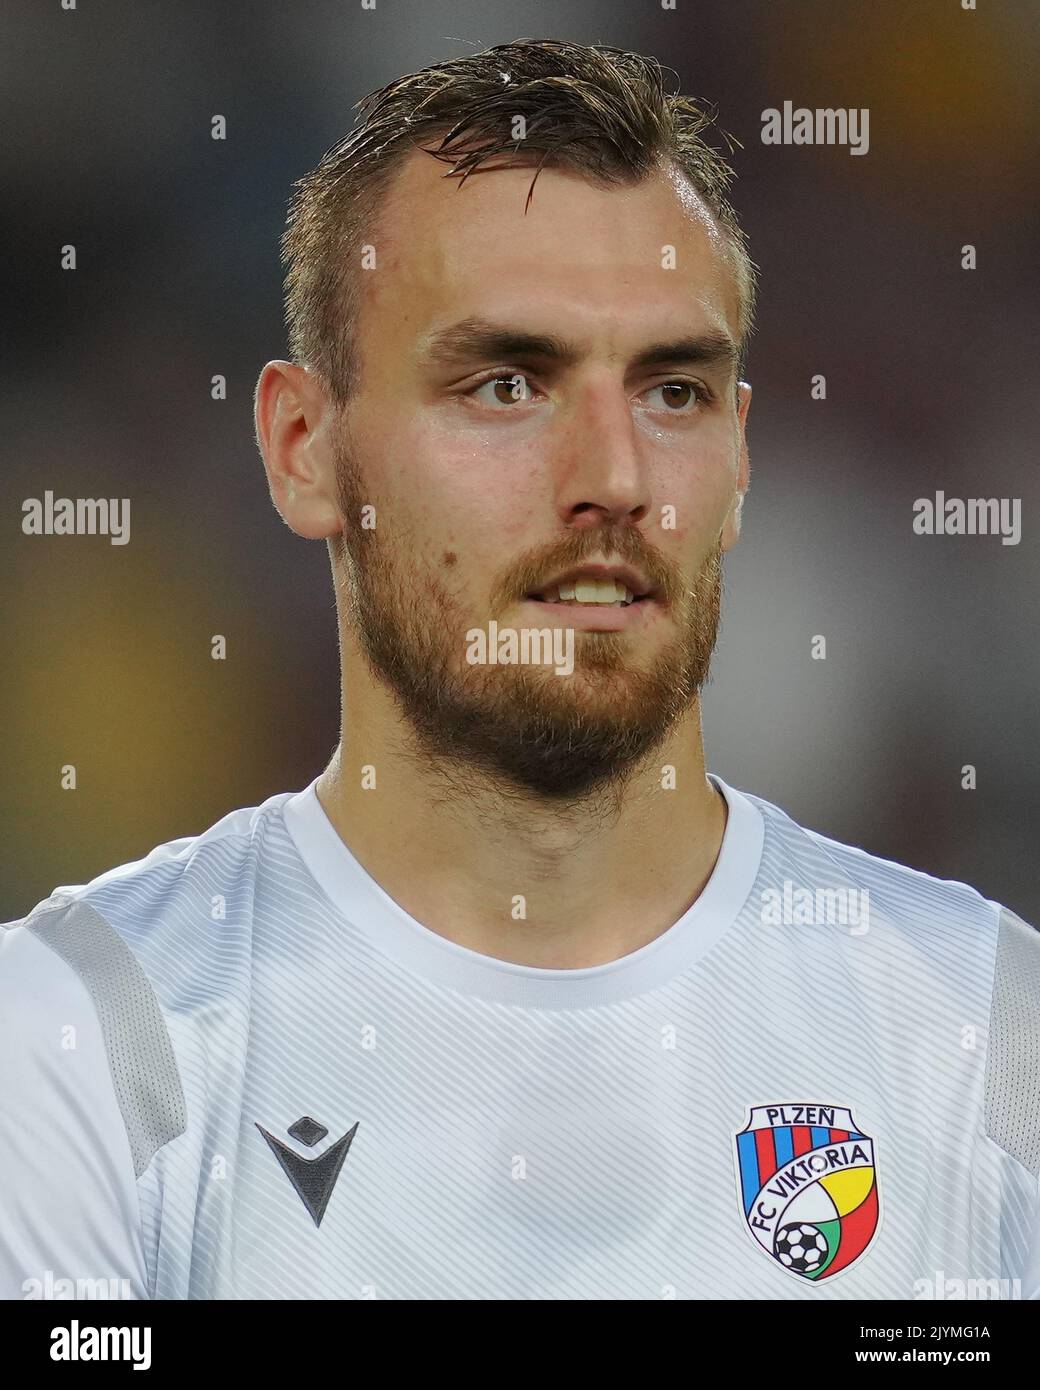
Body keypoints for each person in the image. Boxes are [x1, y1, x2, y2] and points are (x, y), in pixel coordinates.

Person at [2, 37, 1037, 1301]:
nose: (612, 476)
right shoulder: (87, 1037)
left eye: (670, 391)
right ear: (303, 448)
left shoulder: (982, 1034)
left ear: (738, 462)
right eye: (505, 384)